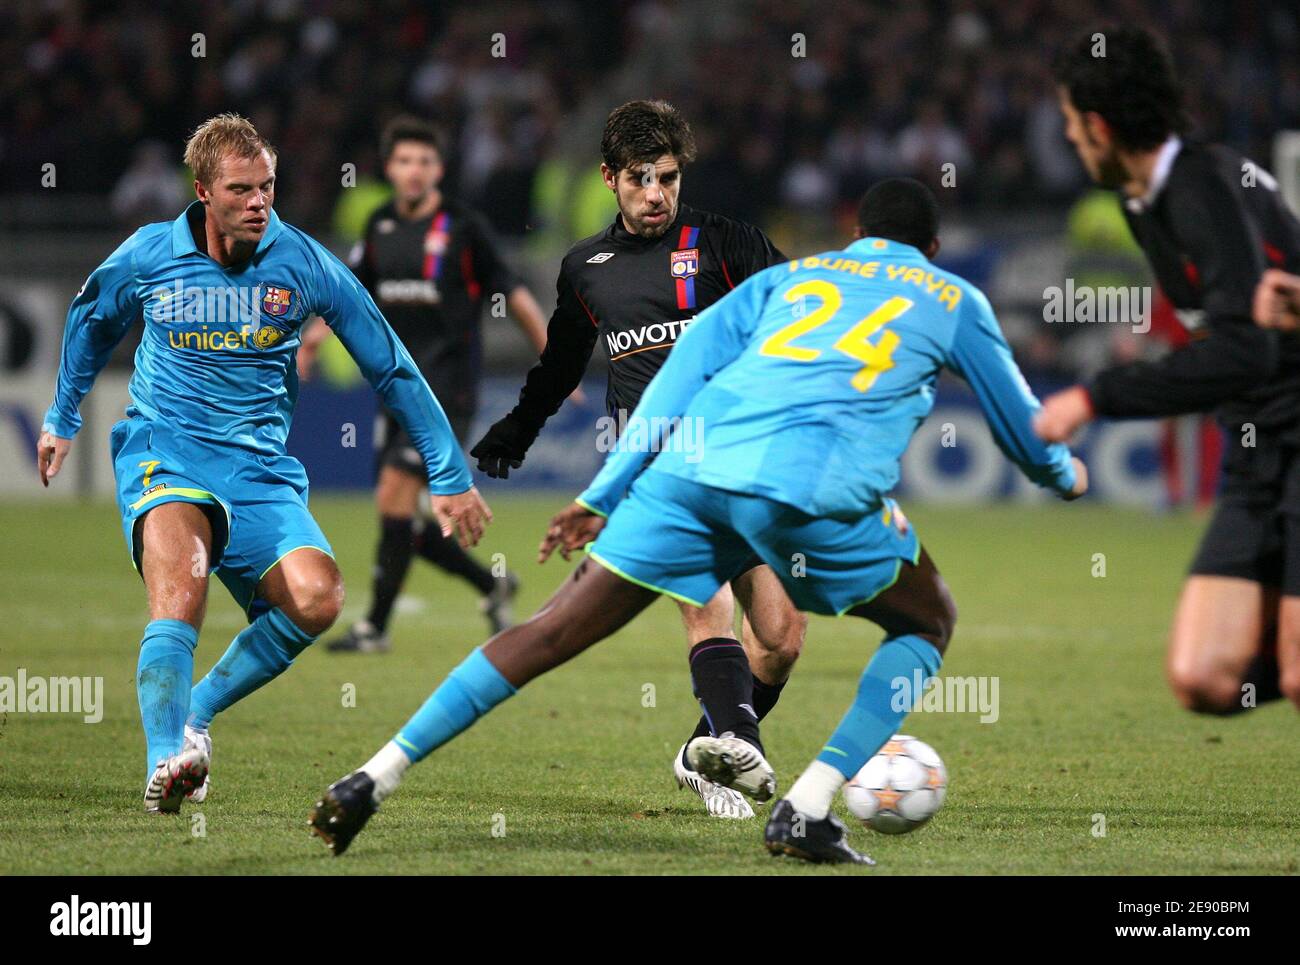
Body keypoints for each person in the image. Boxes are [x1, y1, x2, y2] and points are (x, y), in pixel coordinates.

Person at [308, 178, 1086, 864]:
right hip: (806, 490)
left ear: (856, 236)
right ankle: (805, 808)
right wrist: (1066, 474)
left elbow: (677, 378)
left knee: (547, 631)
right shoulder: (953, 299)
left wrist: (602, 493)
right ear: (934, 248)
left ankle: (372, 774)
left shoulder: (793, 278)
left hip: (687, 470)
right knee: (928, 618)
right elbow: (1028, 435)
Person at [36, 113, 490, 813]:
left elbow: (391, 368)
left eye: (268, 187)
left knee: (319, 598)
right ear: (203, 191)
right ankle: (166, 761)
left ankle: (196, 714)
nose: (259, 202)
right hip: (166, 452)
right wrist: (63, 416)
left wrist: (450, 471)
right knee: (182, 591)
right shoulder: (151, 253)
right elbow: (92, 319)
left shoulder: (304, 264)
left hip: (257, 470)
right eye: (242, 189)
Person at [469, 100, 808, 820]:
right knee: (708, 603)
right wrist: (517, 429)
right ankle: (736, 742)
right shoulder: (585, 268)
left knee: (779, 638)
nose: (656, 194)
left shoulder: (728, 245)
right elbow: (560, 366)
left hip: (742, 464)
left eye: (668, 178)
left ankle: (702, 750)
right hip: (656, 468)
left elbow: (801, 316)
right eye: (640, 179)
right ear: (609, 179)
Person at [1037, 27, 1300, 714]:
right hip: (1258, 451)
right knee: (1206, 678)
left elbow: (1249, 350)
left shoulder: (1202, 186)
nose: (1069, 139)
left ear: (1098, 126)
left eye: (1071, 124)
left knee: (1298, 673)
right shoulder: (1141, 200)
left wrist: (1096, 397)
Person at [299, 117, 550, 651]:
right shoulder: (380, 224)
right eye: (405, 161)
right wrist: (313, 337)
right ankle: (492, 584)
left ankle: (374, 629)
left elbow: (515, 293)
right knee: (408, 520)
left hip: (447, 392)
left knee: (395, 497)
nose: (415, 171)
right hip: (396, 390)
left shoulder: (463, 226)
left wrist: (556, 360)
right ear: (390, 168)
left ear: (439, 169)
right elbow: (349, 293)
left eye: (426, 162)